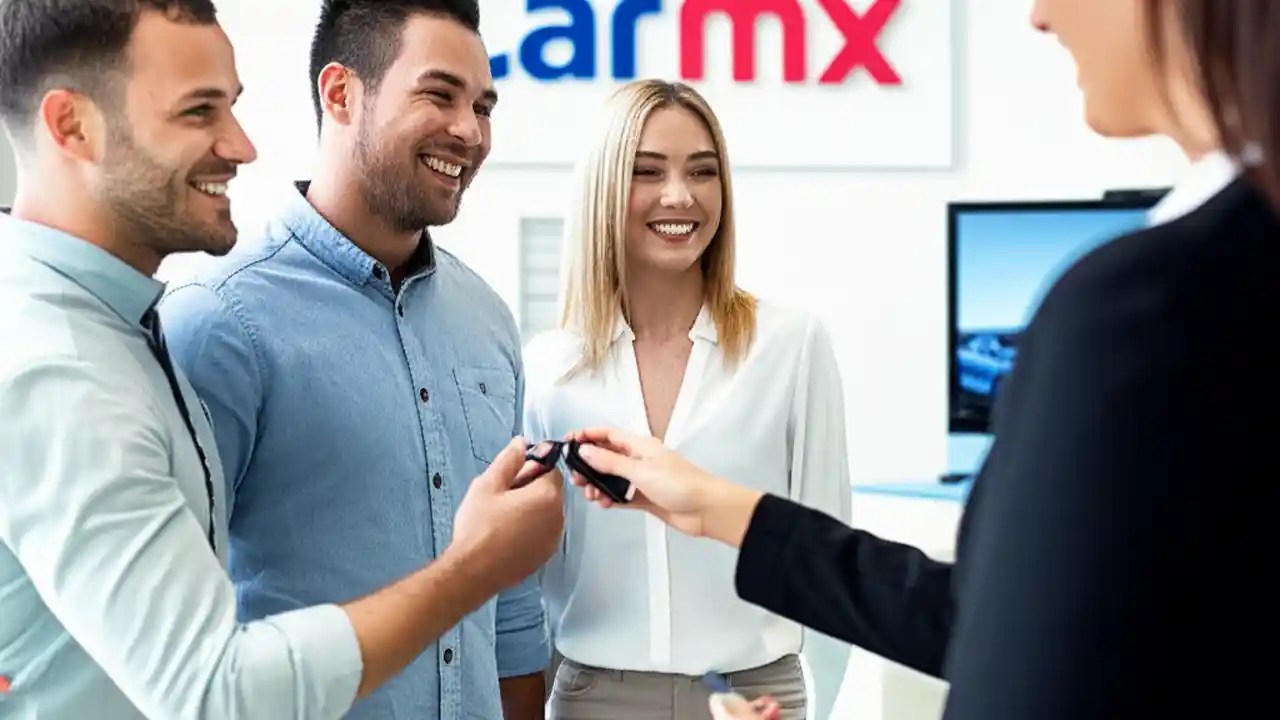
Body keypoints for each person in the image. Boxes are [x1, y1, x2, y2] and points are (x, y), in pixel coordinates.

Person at [561, 0, 1280, 717]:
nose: (1039, 15)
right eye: (646, 172)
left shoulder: (1142, 308)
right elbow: (987, 618)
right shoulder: (1193, 289)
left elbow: (1016, 666)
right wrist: (716, 507)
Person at [0, 1, 564, 719]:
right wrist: (472, 567)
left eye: (482, 104)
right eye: (199, 111)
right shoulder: (158, 335)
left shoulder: (121, 330)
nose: (243, 145)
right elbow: (212, 686)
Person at [156, 1, 552, 717]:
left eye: (483, 106)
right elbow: (170, 636)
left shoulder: (487, 319)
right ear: (340, 94)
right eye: (439, 95)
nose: (468, 130)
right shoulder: (218, 320)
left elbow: (514, 608)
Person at [521, 79, 852, 720]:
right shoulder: (547, 368)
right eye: (648, 172)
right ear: (604, 190)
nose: (681, 196)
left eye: (702, 172)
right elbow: (533, 584)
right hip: (594, 700)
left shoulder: (791, 345)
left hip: (757, 697)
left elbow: (828, 548)